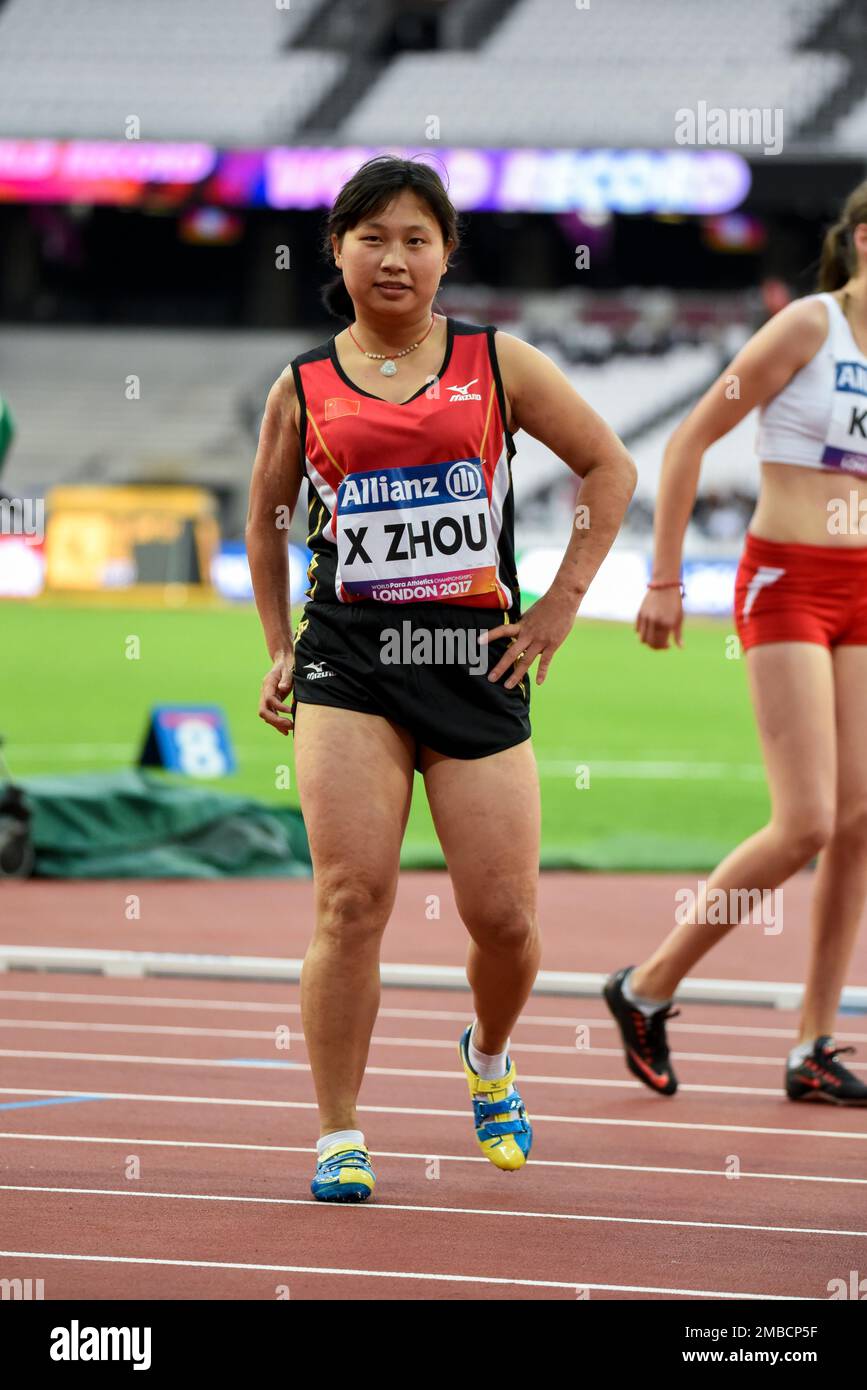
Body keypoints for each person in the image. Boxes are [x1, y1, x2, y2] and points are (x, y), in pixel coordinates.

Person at [246, 154, 637, 1200]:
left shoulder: (499, 362)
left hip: (473, 661)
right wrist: (279, 645)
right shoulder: (303, 385)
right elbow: (267, 517)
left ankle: (490, 1056)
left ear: (447, 255)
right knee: (349, 901)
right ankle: (339, 1131)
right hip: (351, 665)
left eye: (417, 237)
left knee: (504, 919)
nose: (394, 256)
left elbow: (611, 464)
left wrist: (557, 606)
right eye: (372, 236)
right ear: (337, 250)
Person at [606, 180, 867, 1107]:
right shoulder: (806, 327)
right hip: (787, 579)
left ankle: (814, 1045)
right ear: (864, 242)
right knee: (804, 822)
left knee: (858, 823)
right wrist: (666, 579)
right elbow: (687, 439)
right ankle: (646, 986)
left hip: (863, 590)